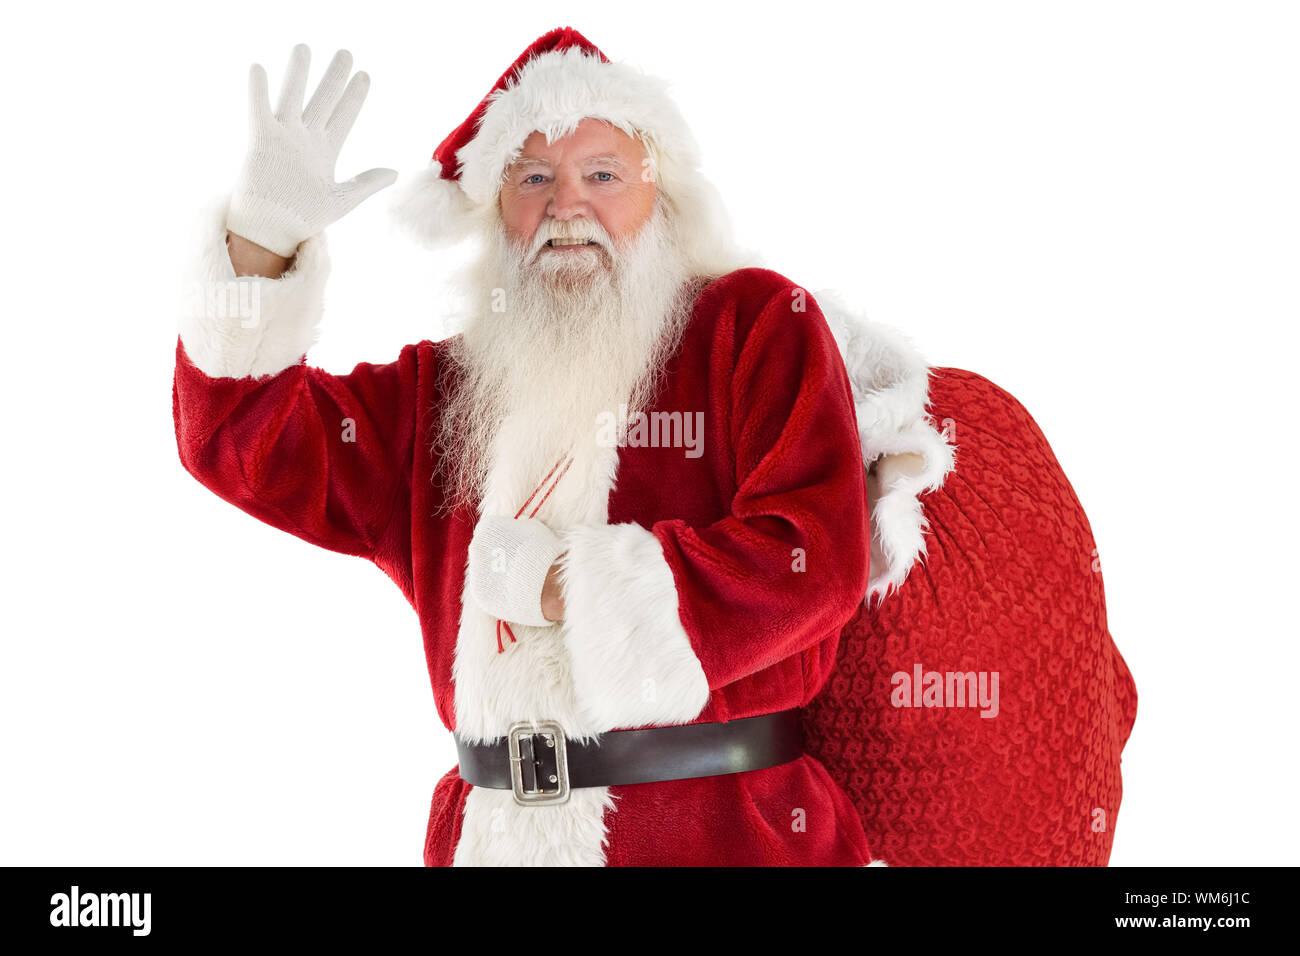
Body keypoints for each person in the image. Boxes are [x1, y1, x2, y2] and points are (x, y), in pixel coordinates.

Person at [174, 27, 1136, 866]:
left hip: (735, 838)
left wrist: (564, 585)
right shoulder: (443, 395)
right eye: (534, 179)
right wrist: (260, 242)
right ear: (496, 212)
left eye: (602, 175)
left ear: (660, 195)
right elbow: (241, 443)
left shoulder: (751, 326)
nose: (566, 207)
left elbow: (814, 552)